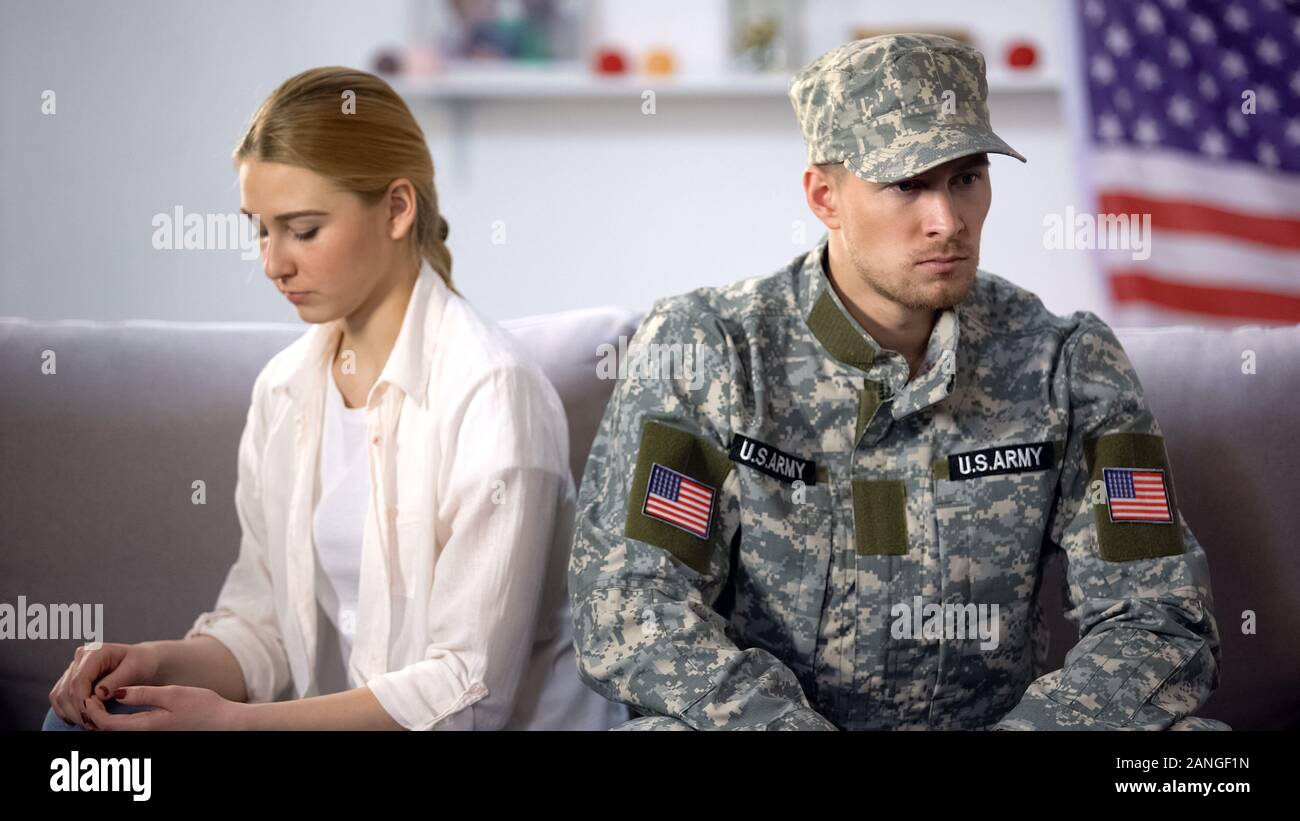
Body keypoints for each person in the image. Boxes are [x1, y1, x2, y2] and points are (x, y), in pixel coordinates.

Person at [568, 34, 1228, 730]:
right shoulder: (707, 352)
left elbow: (1159, 615)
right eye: (906, 184)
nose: (946, 222)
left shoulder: (1064, 361)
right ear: (825, 196)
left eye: (966, 178)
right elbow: (632, 605)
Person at [45, 66, 622, 731]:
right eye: (260, 229)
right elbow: (261, 629)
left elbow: (469, 694)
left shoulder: (495, 393)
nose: (273, 262)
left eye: (303, 228)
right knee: (76, 729)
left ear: (398, 208)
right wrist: (151, 663)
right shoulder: (285, 391)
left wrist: (232, 725)